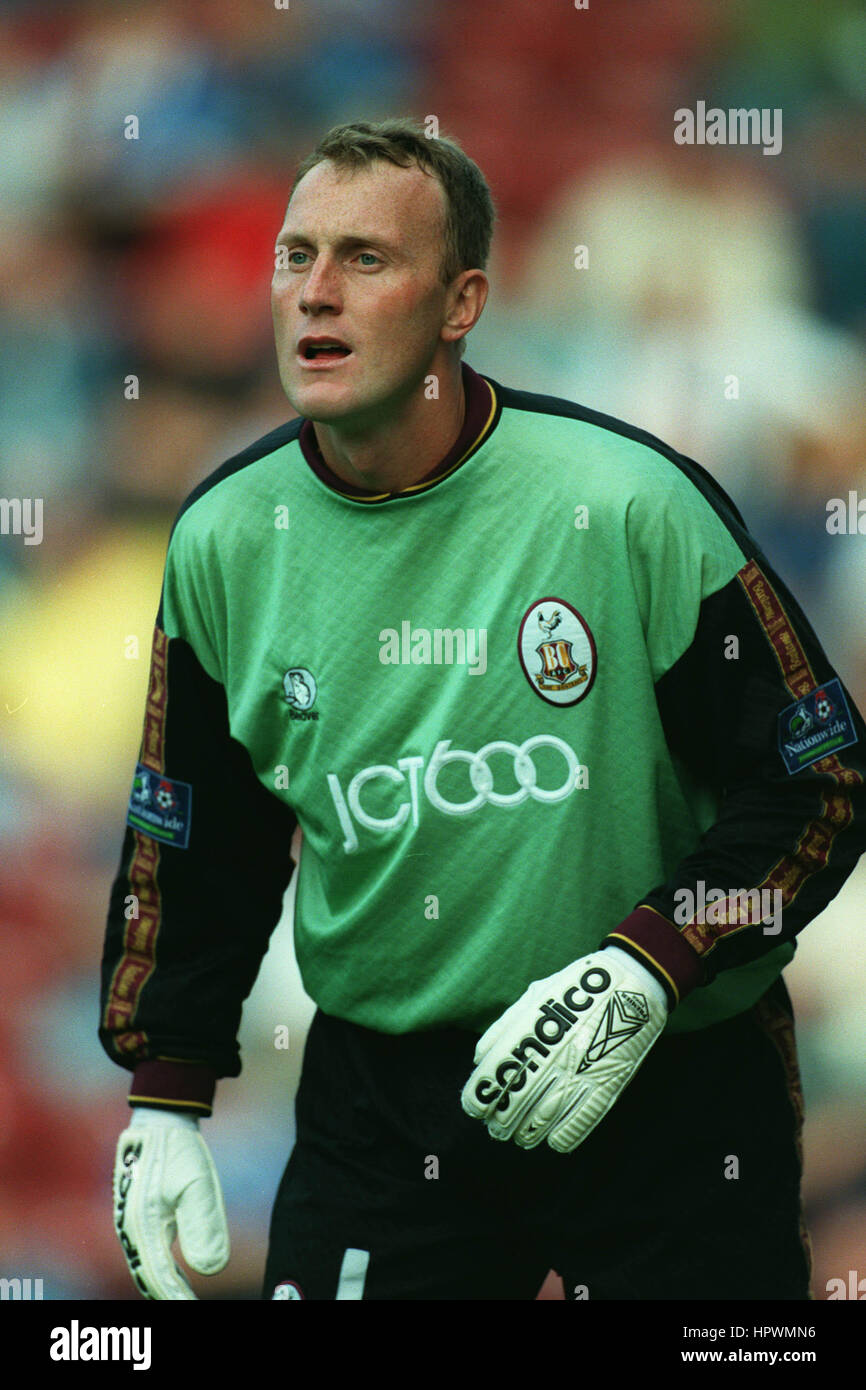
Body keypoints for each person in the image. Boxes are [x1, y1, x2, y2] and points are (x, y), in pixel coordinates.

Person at [100, 118, 866, 1302]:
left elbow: (817, 781)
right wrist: (165, 1090)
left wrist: (649, 964)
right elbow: (196, 838)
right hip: (383, 1106)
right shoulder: (224, 541)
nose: (314, 292)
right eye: (292, 255)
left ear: (460, 303)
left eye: (363, 259)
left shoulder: (626, 504)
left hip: (670, 1071)